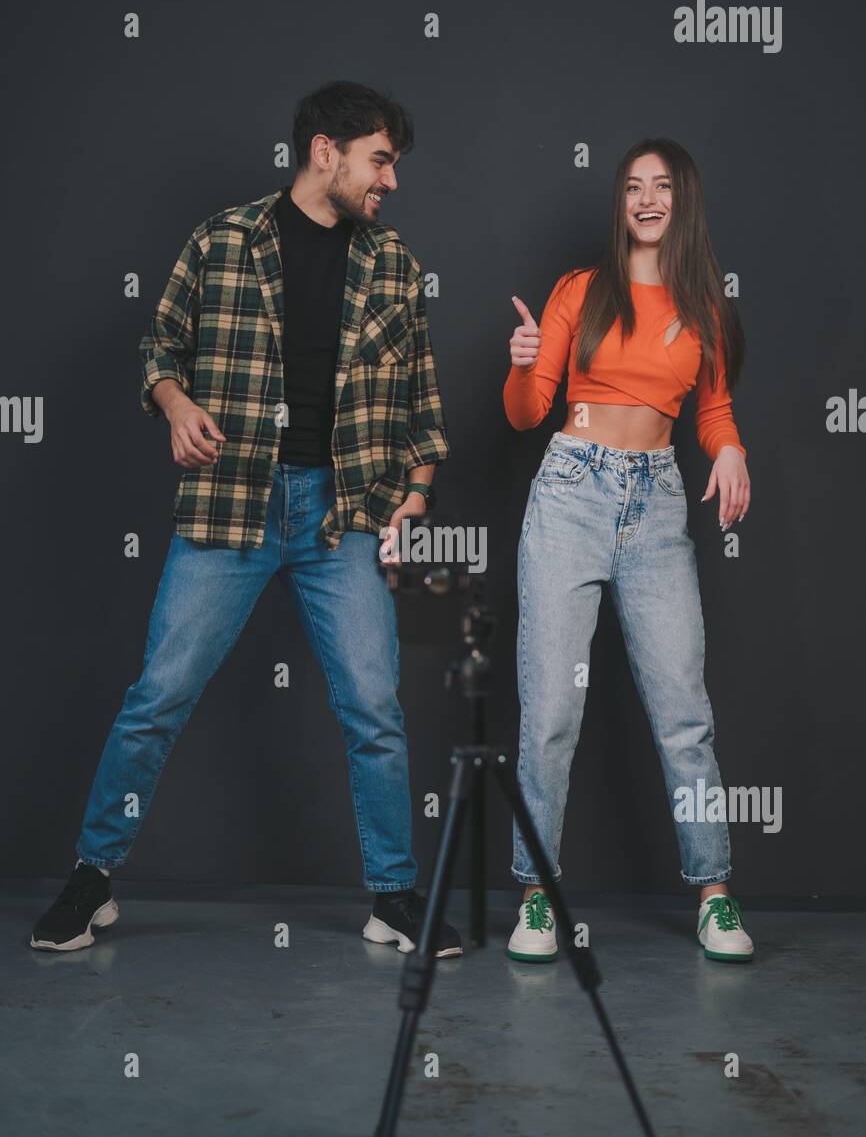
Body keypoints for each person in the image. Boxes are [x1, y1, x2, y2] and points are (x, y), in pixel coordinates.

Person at [32, 80, 462, 960]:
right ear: (325, 151)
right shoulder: (222, 240)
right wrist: (176, 403)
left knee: (375, 709)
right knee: (157, 698)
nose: (390, 181)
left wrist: (412, 497)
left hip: (340, 516)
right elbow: (158, 349)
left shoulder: (393, 265)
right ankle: (92, 878)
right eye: (379, 160)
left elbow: (423, 405)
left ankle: (393, 895)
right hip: (231, 507)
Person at [502, 136, 754, 965]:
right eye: (634, 187)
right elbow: (525, 412)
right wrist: (524, 364)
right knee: (550, 711)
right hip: (571, 492)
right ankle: (537, 896)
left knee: (685, 713)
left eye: (663, 187)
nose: (647, 199)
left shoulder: (704, 307)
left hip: (656, 506)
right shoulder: (583, 290)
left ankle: (714, 894)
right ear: (621, 202)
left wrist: (729, 448)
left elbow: (710, 412)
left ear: (683, 202)